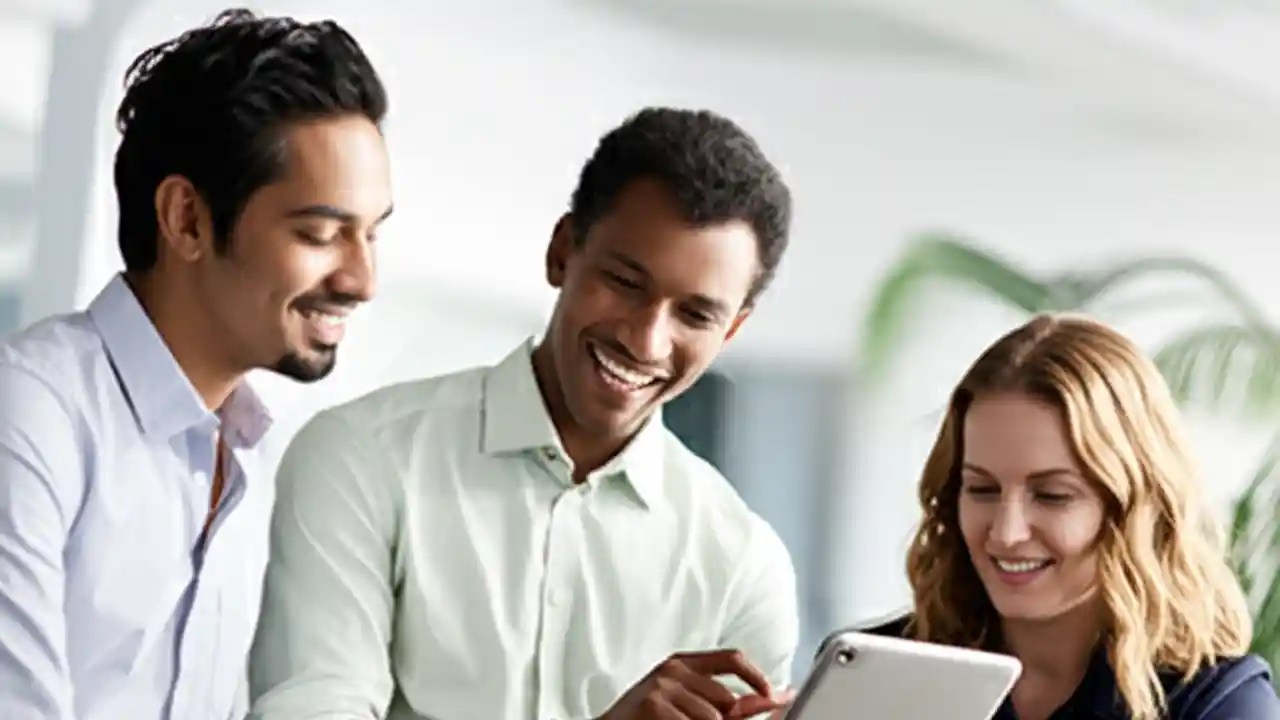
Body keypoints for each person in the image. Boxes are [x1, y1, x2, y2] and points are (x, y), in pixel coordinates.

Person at [247, 107, 799, 720]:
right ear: (563, 252)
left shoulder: (743, 564)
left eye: (695, 316)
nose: (646, 342)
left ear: (731, 331)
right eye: (624, 282)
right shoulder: (361, 457)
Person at [0, 8, 391, 719]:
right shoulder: (28, 413)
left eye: (370, 235)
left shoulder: (263, 467)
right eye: (320, 233)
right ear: (186, 218)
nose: (362, 279)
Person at [820, 314, 1280, 719]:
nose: (1006, 533)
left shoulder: (1217, 704)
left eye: (1053, 496)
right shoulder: (873, 676)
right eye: (981, 489)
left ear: (1132, 507)